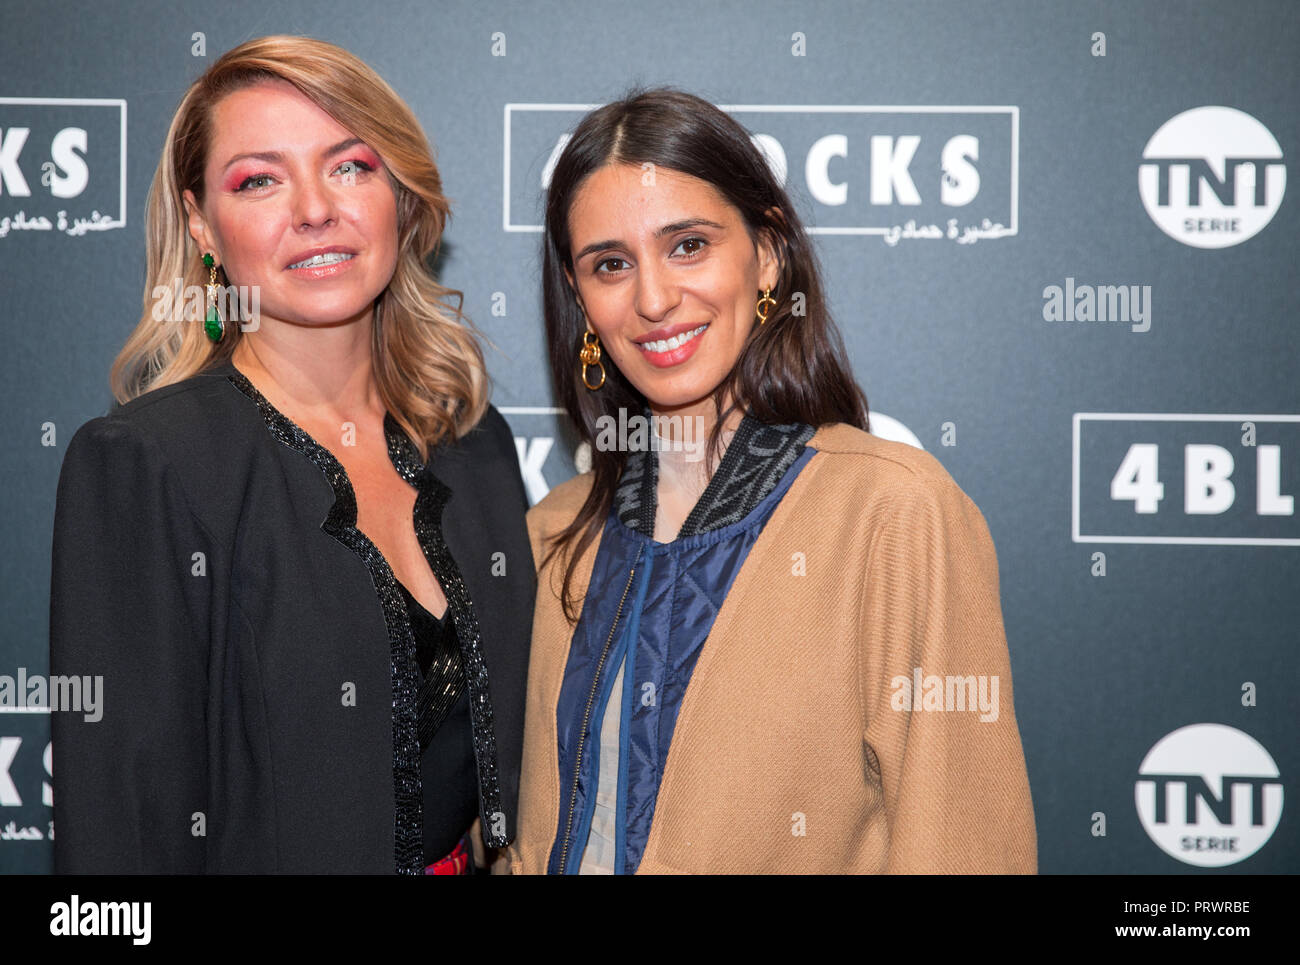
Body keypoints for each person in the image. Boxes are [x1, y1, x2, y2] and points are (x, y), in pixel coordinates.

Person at [510, 88, 1037, 874]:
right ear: (580, 296)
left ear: (768, 252)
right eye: (611, 264)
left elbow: (966, 852)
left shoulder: (895, 515)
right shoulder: (554, 531)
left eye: (688, 245)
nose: (653, 299)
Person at [48, 36, 534, 875]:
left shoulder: (472, 442)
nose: (316, 208)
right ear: (202, 224)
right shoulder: (147, 466)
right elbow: (117, 843)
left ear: (401, 198)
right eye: (259, 180)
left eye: (350, 166)